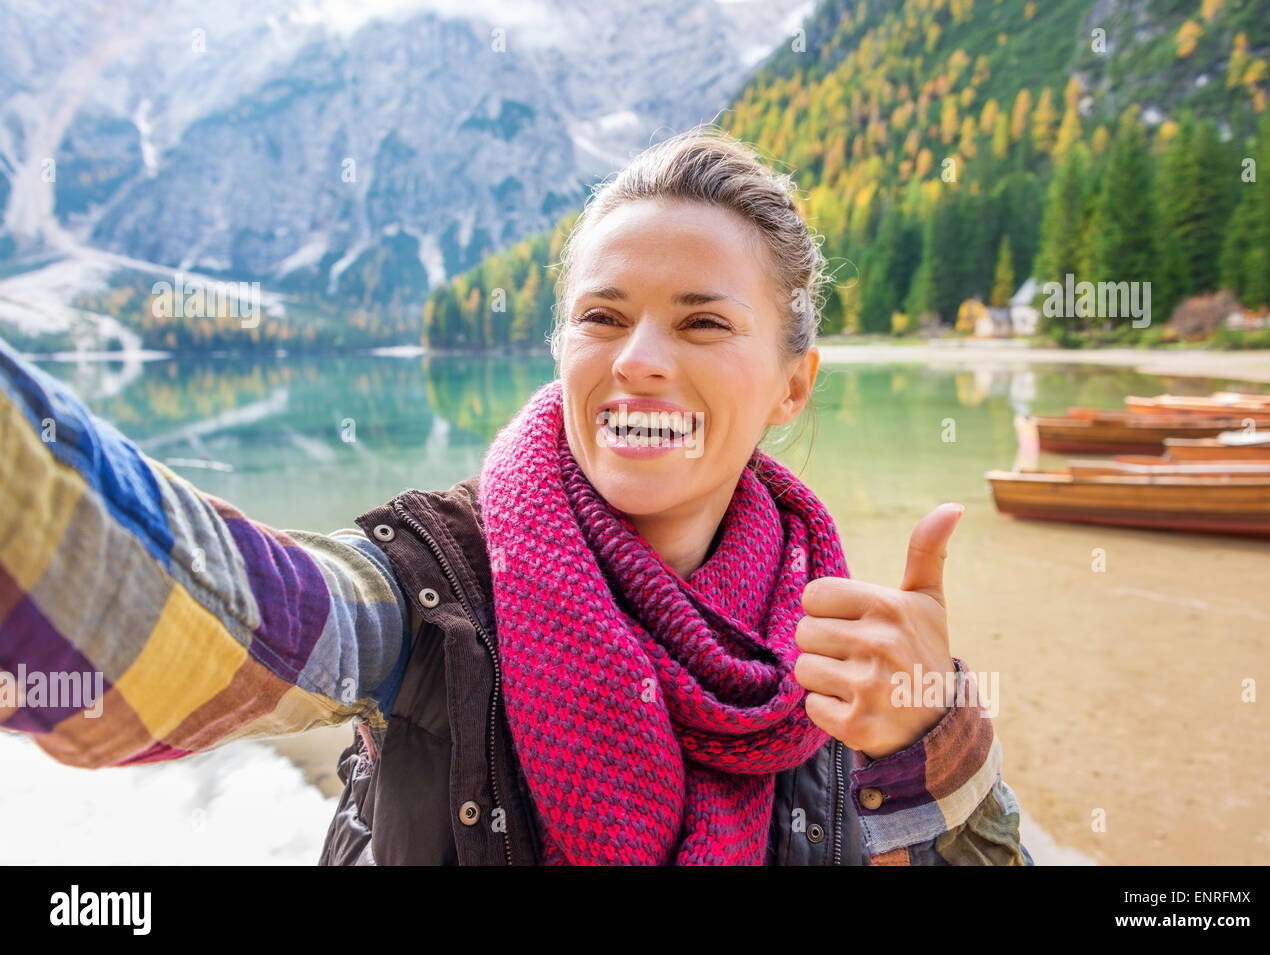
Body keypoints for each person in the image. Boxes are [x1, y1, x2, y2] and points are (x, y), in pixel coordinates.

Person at [0, 124, 1030, 865]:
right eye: (601, 315)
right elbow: (204, 620)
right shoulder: (432, 584)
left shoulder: (849, 659)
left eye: (703, 323)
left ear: (791, 385)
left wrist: (927, 738)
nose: (637, 361)